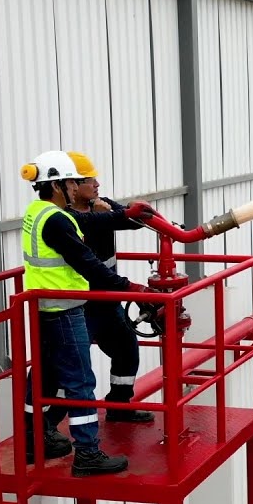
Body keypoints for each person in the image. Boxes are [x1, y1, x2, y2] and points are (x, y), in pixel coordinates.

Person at [17, 149, 151, 477]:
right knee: (80, 381)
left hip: (47, 307)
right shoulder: (59, 219)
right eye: (74, 182)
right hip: (65, 310)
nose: (78, 188)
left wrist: (122, 211)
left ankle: (34, 439)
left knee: (47, 370)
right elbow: (86, 262)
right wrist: (131, 288)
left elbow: (95, 225)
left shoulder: (37, 212)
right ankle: (88, 454)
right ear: (58, 185)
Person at [64, 151, 158, 424]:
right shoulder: (67, 219)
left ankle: (118, 405)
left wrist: (121, 211)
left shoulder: (99, 206)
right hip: (79, 305)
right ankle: (46, 426)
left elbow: (134, 222)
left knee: (126, 347)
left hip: (107, 299)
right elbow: (101, 222)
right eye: (90, 180)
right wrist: (115, 214)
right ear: (72, 185)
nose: (97, 185)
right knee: (69, 366)